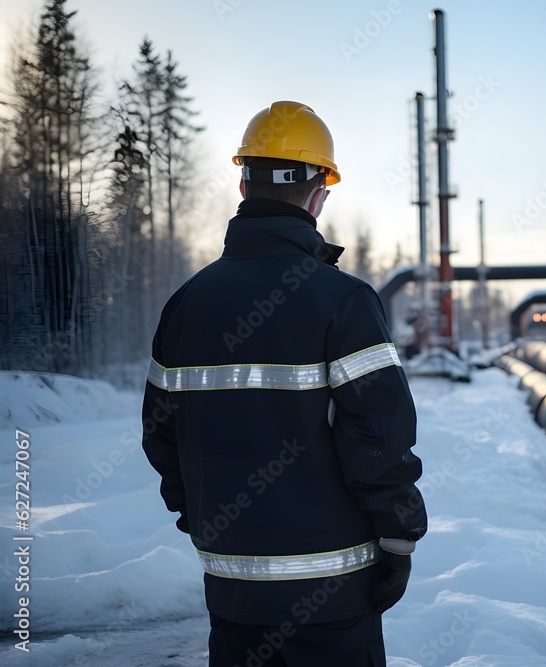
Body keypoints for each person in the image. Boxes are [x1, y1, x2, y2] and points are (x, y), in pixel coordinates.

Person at [141, 101, 427, 667]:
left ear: (244, 184)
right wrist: (398, 537)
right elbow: (379, 434)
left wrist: (203, 519)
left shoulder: (187, 304)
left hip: (233, 595)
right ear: (320, 193)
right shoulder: (342, 301)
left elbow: (159, 434)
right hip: (333, 598)